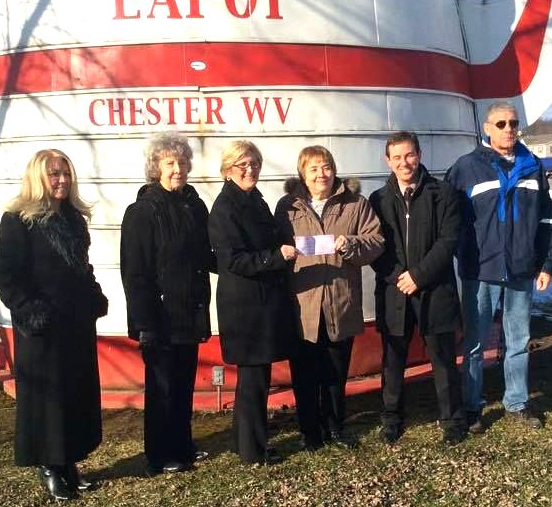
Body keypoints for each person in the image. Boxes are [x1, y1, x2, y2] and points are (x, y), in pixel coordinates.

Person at [0, 149, 108, 500]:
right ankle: (49, 465)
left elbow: (81, 268)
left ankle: (70, 460)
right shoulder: (18, 219)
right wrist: (29, 310)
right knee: (48, 399)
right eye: (54, 174)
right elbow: (6, 274)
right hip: (42, 328)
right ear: (38, 178)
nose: (61, 180)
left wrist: (94, 296)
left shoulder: (73, 218)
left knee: (75, 394)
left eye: (65, 173)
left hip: (75, 323)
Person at [445, 101, 552, 433]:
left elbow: (547, 219)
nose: (508, 129)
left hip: (521, 269)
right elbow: (448, 219)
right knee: (476, 342)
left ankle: (517, 401)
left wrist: (546, 262)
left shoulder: (532, 165)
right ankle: (471, 405)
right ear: (487, 128)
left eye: (513, 123)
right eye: (501, 124)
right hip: (480, 270)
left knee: (519, 338)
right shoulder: (466, 167)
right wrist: (459, 254)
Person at [275, 145, 384, 451]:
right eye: (313, 169)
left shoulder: (355, 204)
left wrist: (349, 244)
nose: (321, 174)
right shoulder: (288, 207)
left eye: (326, 167)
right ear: (303, 175)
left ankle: (336, 427)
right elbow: (276, 246)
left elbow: (376, 241)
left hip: (340, 301)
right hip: (303, 303)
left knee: (335, 372)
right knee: (305, 373)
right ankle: (310, 432)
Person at [120, 133, 214, 475]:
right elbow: (135, 273)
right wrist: (144, 323)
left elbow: (207, 254)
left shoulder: (193, 206)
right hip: (159, 317)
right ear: (156, 167)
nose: (178, 169)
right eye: (170, 163)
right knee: (161, 388)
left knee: (183, 383)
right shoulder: (142, 212)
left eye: (183, 162)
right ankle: (159, 454)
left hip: (189, 312)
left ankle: (183, 445)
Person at [369, 131, 468, 446]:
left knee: (442, 359)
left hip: (434, 289)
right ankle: (391, 418)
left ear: (420, 155)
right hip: (394, 290)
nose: (404, 163)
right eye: (396, 157)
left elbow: (449, 241)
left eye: (409, 155)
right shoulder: (378, 199)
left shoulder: (444, 193)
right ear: (388, 161)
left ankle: (452, 419)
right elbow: (375, 246)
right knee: (393, 360)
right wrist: (400, 276)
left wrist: (419, 276)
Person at [208, 140, 298, 464]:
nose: (250, 170)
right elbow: (232, 260)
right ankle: (254, 451)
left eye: (254, 164)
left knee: (254, 377)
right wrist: (278, 256)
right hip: (245, 306)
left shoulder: (253, 199)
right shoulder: (226, 208)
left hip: (259, 303)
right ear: (228, 170)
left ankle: (243, 442)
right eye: (242, 165)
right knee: (253, 380)